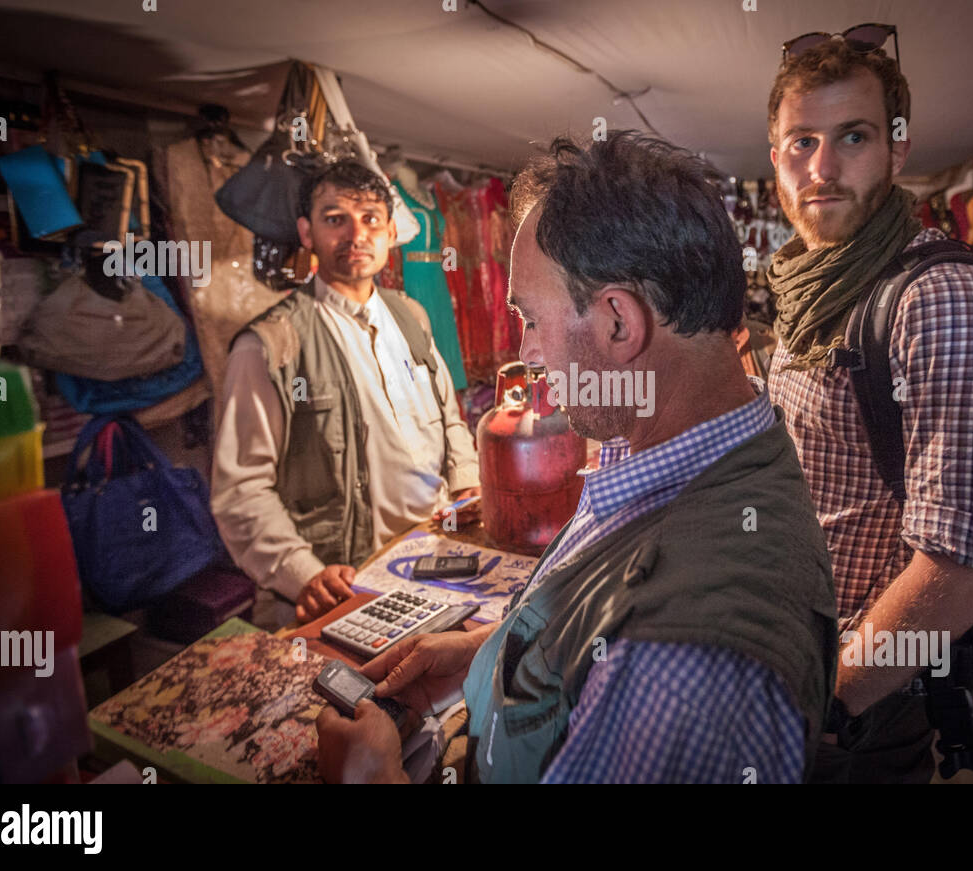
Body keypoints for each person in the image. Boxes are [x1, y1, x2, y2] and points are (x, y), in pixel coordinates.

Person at [316, 131, 838, 784]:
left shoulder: (682, 661)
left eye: (531, 319)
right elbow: (595, 630)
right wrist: (496, 656)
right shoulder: (693, 447)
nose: (528, 352)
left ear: (619, 323)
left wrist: (369, 780)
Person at [764, 29, 973, 782]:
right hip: (788, 651)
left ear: (896, 151)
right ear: (775, 157)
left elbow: (960, 571)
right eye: (801, 142)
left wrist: (827, 703)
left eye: (852, 137)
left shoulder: (940, 304)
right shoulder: (812, 292)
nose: (821, 168)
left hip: (859, 706)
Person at [211, 161, 479, 626]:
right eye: (335, 218)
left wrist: (467, 483)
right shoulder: (272, 345)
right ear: (307, 232)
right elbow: (241, 491)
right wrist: (304, 575)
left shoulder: (410, 316)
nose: (357, 233)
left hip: (438, 556)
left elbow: (448, 417)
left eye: (371, 218)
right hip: (349, 585)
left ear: (391, 231)